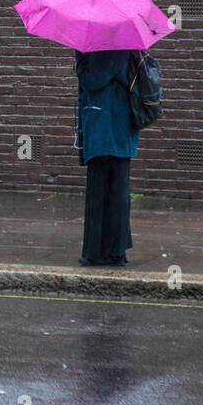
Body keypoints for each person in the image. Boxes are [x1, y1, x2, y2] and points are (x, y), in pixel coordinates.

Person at [75, 50, 138, 266]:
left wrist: (100, 65)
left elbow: (91, 81)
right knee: (119, 191)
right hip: (118, 126)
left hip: (103, 124)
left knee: (100, 191)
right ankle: (115, 252)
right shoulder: (129, 43)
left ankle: (96, 253)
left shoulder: (88, 44)